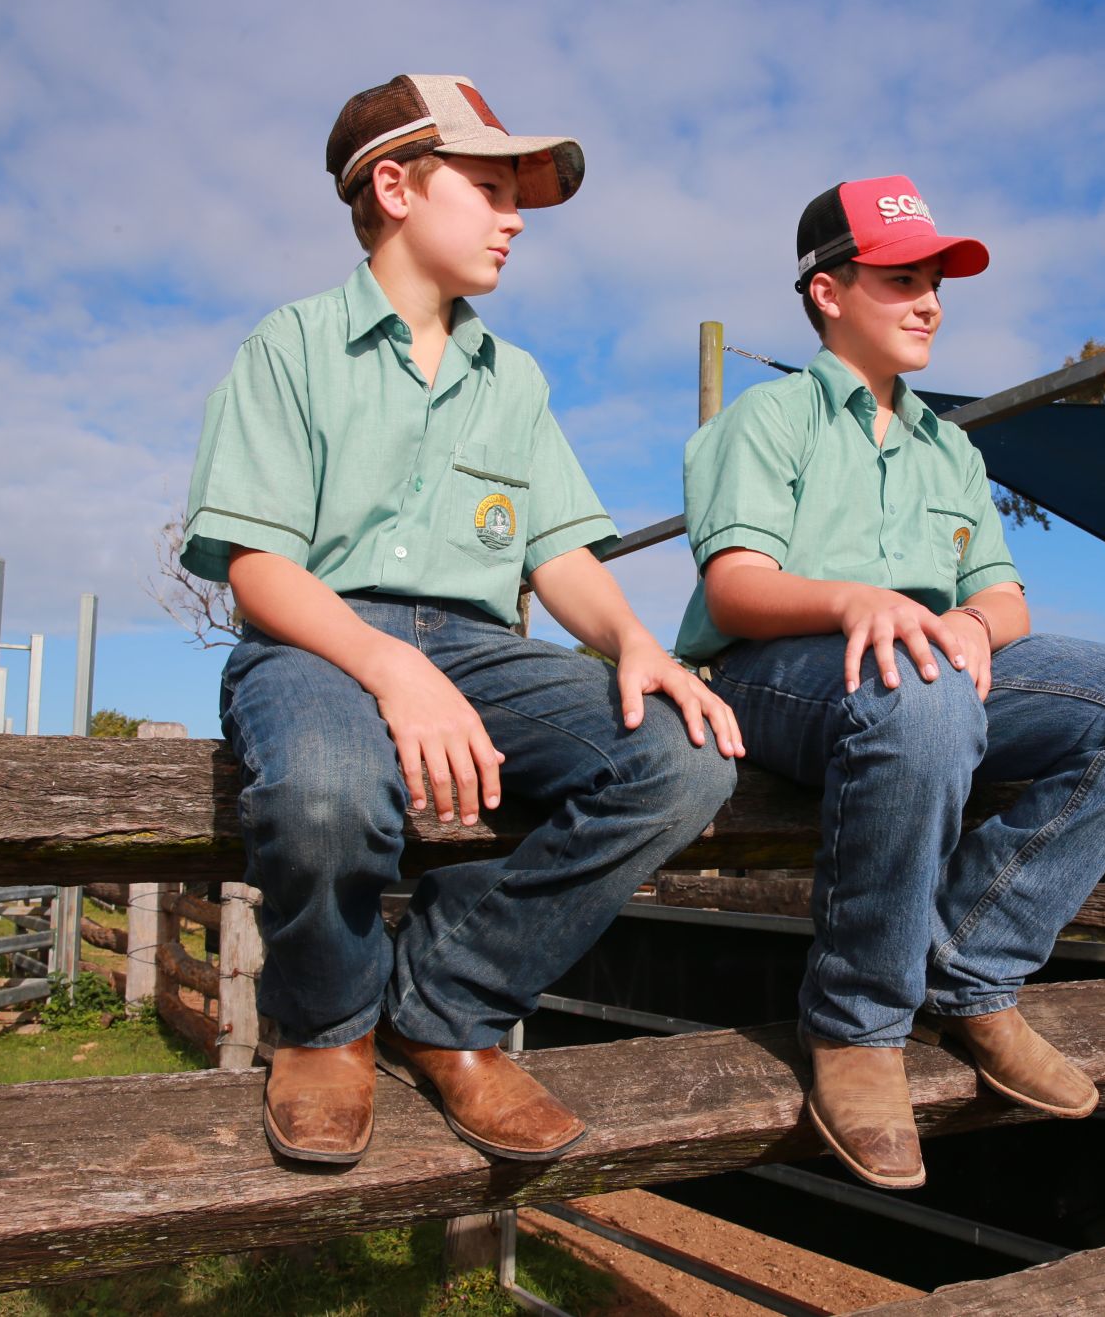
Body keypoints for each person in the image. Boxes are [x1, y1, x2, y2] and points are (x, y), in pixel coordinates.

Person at [182, 74, 742, 1167]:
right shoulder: (289, 345)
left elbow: (560, 553)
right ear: (395, 187)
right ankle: (326, 1023)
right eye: (489, 189)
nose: (514, 218)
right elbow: (256, 568)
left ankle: (445, 1002)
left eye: (516, 196)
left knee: (683, 760)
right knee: (326, 794)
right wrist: (392, 669)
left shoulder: (513, 379)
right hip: (316, 634)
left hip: (479, 647)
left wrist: (634, 641)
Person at [675, 175, 1105, 1190]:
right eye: (901, 279)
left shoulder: (948, 446)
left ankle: (972, 966)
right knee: (921, 695)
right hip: (775, 671)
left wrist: (968, 622)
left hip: (929, 667)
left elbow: (1003, 598)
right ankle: (856, 1024)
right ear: (828, 291)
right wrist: (856, 602)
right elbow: (735, 586)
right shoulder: (768, 417)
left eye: (935, 283)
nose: (929, 303)